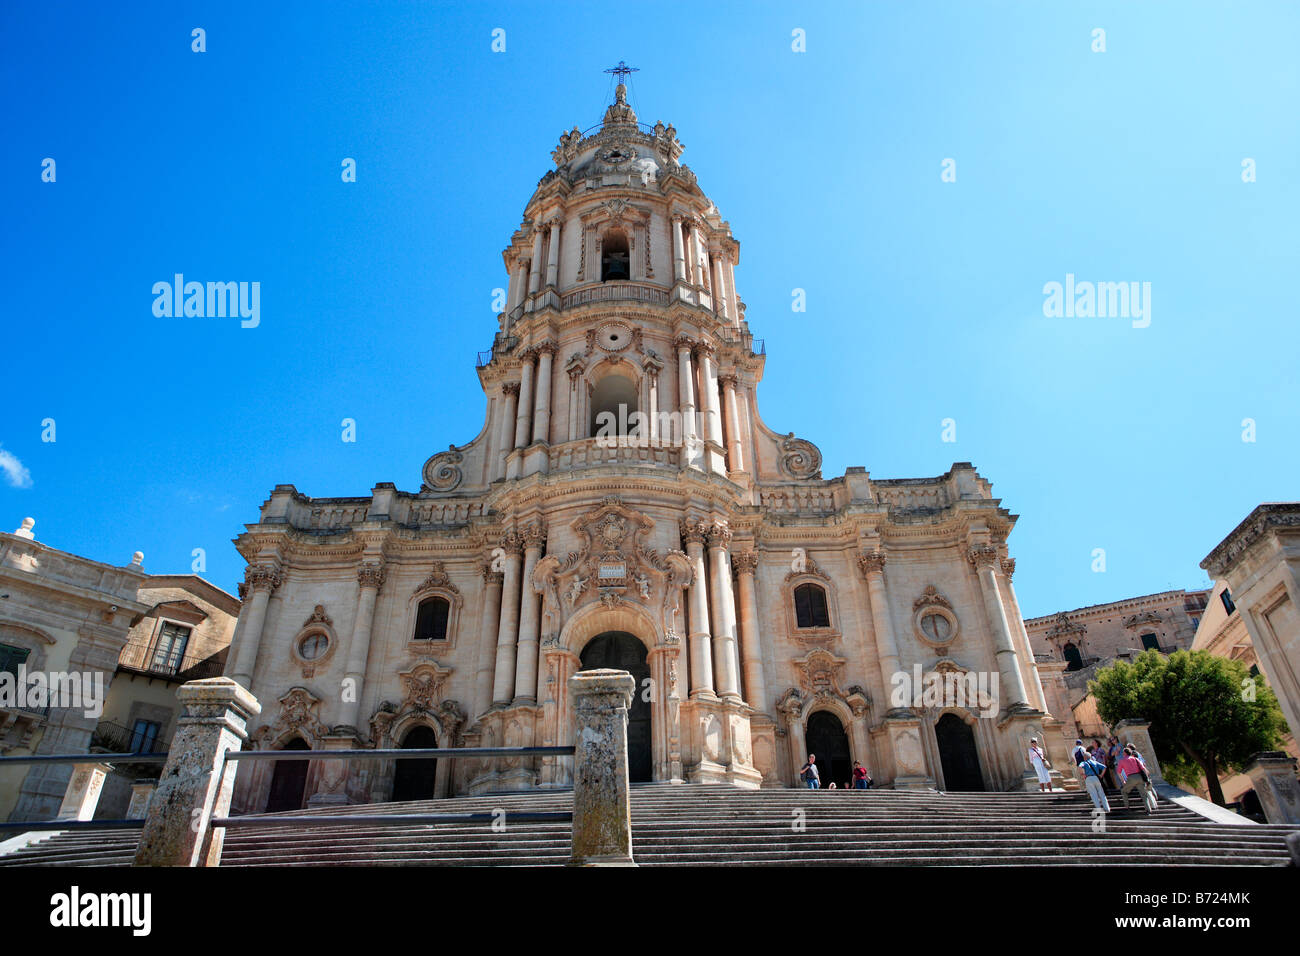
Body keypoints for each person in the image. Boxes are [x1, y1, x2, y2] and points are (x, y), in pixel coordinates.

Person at [1116, 746, 1158, 813]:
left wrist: (1123, 780)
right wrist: (1146, 778)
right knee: (1143, 794)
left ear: (1124, 753)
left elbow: (1118, 772)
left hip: (1131, 778)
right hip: (1139, 777)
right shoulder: (1135, 759)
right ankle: (1148, 810)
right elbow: (1143, 768)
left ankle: (1127, 807)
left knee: (1124, 791)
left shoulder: (1122, 760)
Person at [1080, 749, 1111, 813]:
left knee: (1094, 794)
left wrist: (1083, 774)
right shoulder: (1095, 762)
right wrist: (1101, 775)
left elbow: (1080, 767)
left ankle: (1099, 809)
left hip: (1089, 778)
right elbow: (1104, 767)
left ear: (1084, 757)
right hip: (1096, 778)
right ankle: (1107, 808)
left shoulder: (1084, 762)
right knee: (1101, 793)